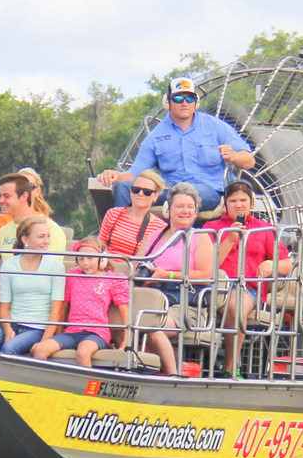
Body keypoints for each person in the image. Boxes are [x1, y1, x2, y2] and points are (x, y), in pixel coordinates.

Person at [93, 77, 256, 212]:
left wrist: (233, 156)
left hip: (208, 191)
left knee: (185, 195)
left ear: (196, 102)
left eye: (189, 98)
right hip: (168, 192)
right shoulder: (156, 136)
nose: (184, 103)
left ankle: (184, 245)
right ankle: (120, 239)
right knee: (124, 187)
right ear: (168, 103)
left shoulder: (215, 126)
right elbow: (135, 173)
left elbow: (249, 161)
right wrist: (114, 175)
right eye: (178, 98)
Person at [202, 180, 293, 376]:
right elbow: (208, 265)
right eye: (233, 200)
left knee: (235, 304)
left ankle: (230, 367)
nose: (238, 205)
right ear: (225, 204)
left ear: (252, 204)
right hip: (214, 286)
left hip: (248, 288)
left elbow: (287, 265)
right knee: (228, 300)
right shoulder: (212, 227)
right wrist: (230, 238)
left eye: (243, 200)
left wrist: (270, 264)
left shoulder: (264, 229)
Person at [137, 183, 218, 375]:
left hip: (184, 304)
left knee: (152, 326)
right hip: (153, 297)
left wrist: (169, 275)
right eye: (180, 206)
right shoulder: (155, 237)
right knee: (122, 317)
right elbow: (136, 266)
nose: (185, 211)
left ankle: (173, 375)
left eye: (190, 207)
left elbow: (206, 275)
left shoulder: (201, 237)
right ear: (168, 209)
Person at [32, 239, 129, 368]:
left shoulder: (111, 279)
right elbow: (64, 306)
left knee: (83, 353)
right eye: (81, 259)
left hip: (96, 332)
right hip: (72, 332)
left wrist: (125, 343)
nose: (85, 263)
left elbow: (125, 312)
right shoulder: (73, 276)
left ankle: (88, 385)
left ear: (102, 259)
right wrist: (59, 332)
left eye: (90, 258)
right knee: (39, 350)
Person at [0, 216, 67, 356]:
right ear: (25, 240)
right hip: (12, 324)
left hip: (38, 328)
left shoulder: (55, 266)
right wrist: (7, 329)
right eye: (41, 237)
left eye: (48, 237)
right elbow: (4, 307)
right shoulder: (9, 265)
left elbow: (56, 311)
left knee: (9, 349)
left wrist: (44, 341)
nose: (46, 241)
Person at [96, 167, 170, 269]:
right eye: (136, 190)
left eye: (147, 192)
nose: (140, 194)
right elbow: (99, 246)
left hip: (132, 274)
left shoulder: (160, 227)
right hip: (106, 269)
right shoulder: (113, 214)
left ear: (155, 196)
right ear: (130, 192)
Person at [0, 174, 69, 254]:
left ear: (24, 196)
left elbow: (52, 266)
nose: (1, 201)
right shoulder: (3, 232)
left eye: (7, 196)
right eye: (0, 196)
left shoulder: (51, 229)